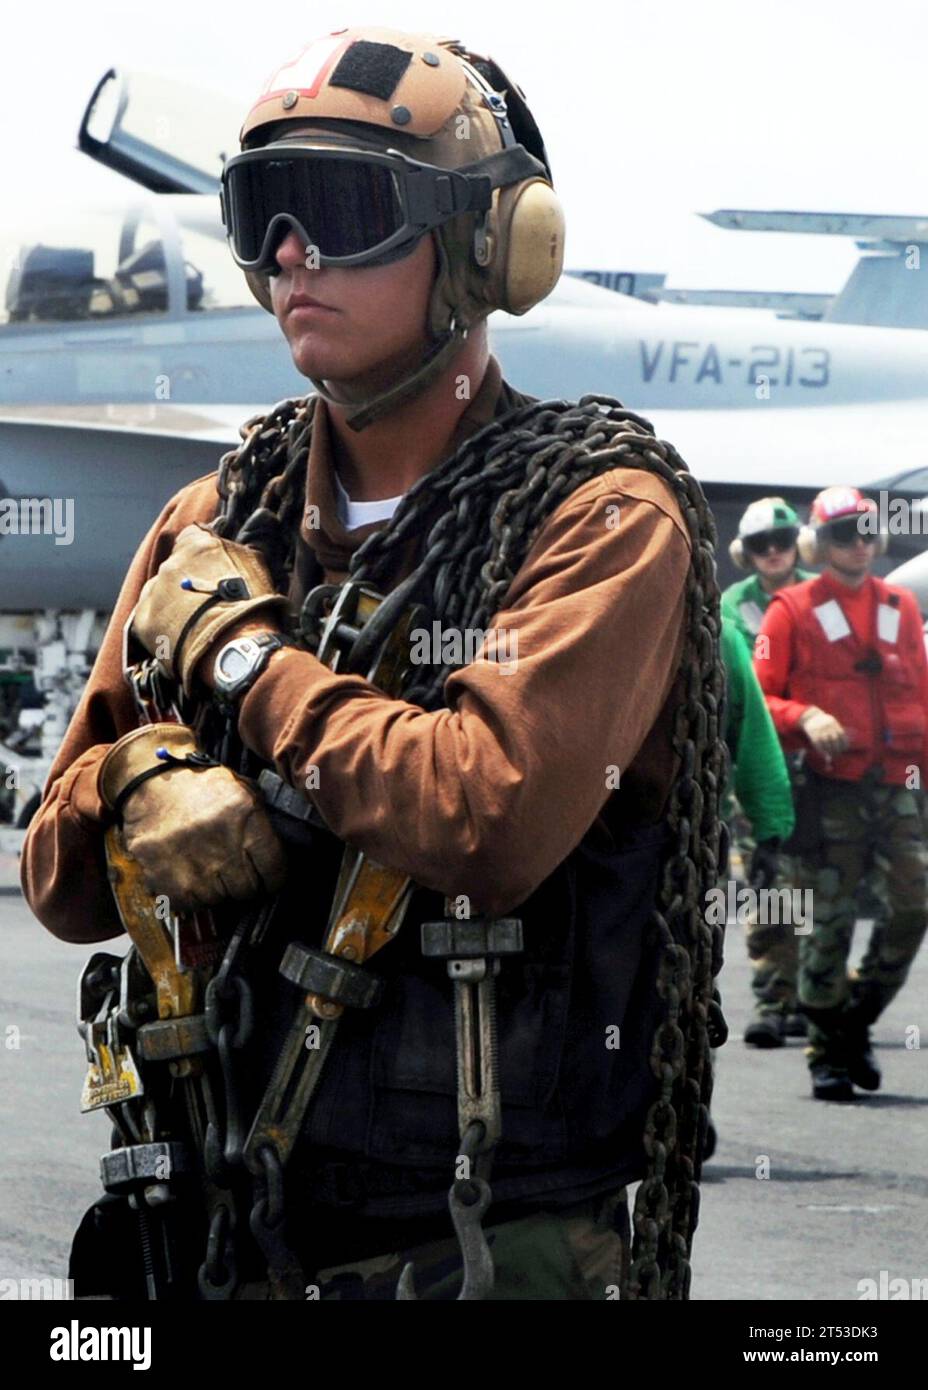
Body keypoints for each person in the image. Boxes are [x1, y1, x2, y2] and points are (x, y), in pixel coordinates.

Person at [21, 27, 725, 1299]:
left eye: (342, 209)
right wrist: (134, 777)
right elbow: (62, 884)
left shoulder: (600, 519)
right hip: (217, 1240)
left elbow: (480, 810)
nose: (291, 254)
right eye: (263, 213)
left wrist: (240, 662)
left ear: (483, 243)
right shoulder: (213, 519)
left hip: (477, 1252)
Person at [755, 486, 928, 1101]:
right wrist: (803, 716)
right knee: (828, 928)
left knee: (912, 908)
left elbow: (921, 697)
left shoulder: (901, 607)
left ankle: (850, 1024)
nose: (856, 543)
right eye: (842, 534)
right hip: (831, 792)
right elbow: (760, 700)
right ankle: (828, 1052)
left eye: (864, 531)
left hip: (898, 789)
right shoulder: (791, 611)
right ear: (820, 544)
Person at [722, 498, 813, 1045]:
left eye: (782, 540)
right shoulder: (732, 607)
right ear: (747, 553)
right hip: (760, 762)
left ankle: (810, 993)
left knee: (814, 887)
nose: (774, 552)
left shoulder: (821, 596)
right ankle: (773, 998)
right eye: (762, 545)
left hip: (819, 764)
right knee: (768, 879)